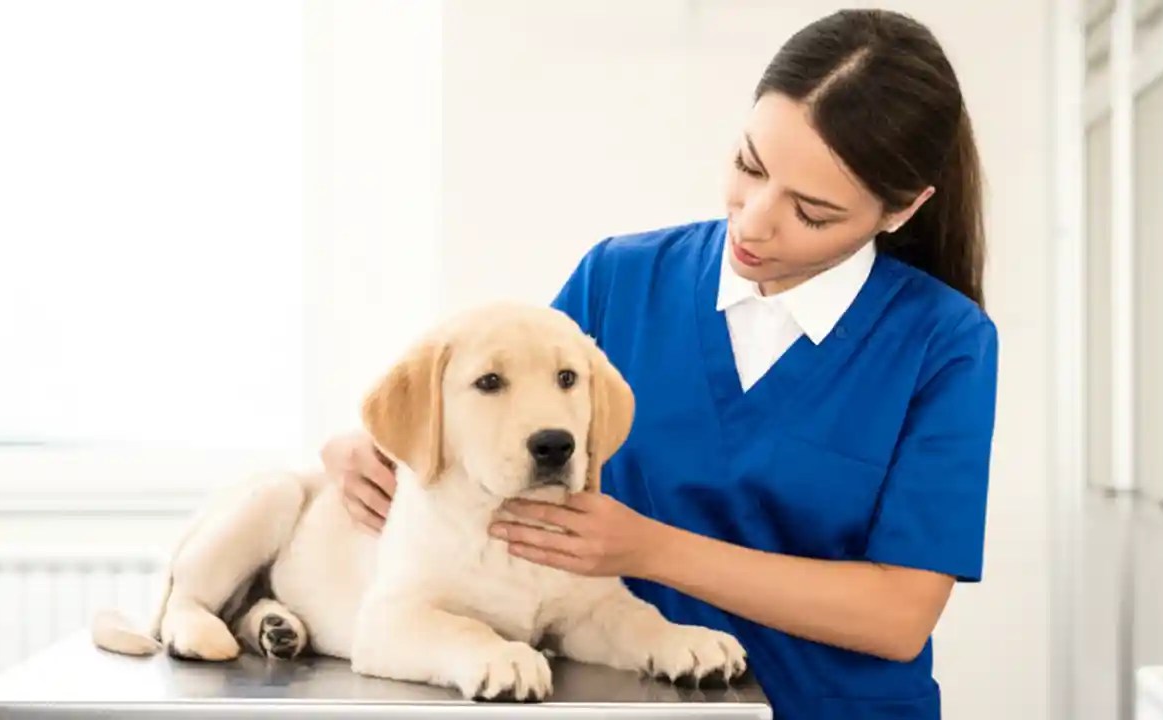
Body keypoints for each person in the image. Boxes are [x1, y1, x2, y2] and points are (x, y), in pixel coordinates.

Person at [321, 9, 999, 720]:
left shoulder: (943, 342)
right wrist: (363, 453)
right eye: (749, 166)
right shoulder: (621, 280)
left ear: (899, 211)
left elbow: (898, 617)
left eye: (813, 211)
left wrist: (649, 550)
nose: (755, 221)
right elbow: (495, 427)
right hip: (636, 705)